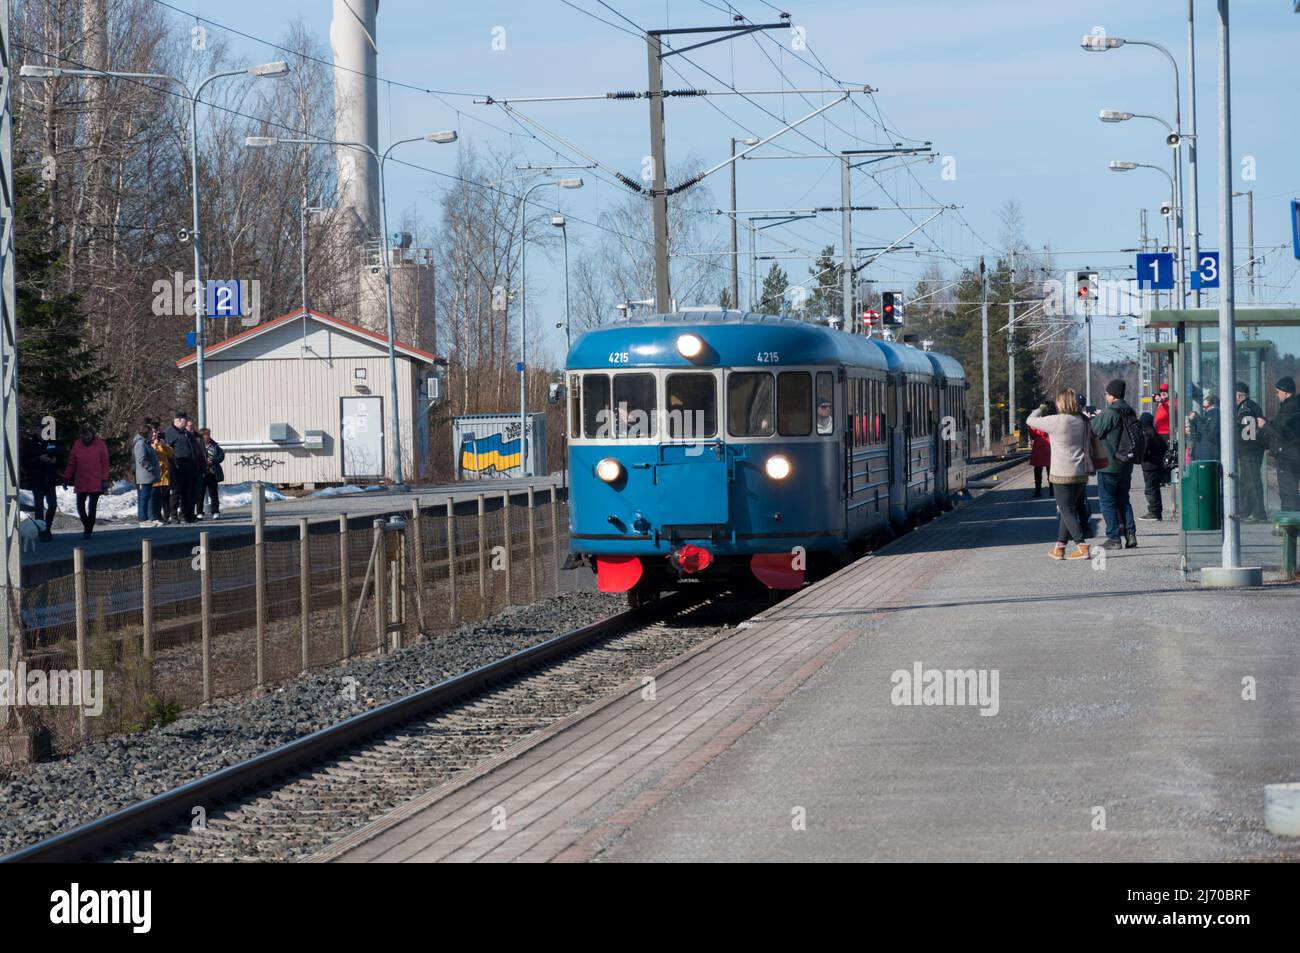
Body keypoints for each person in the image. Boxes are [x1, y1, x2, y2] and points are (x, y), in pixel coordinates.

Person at [1028, 390, 1095, 561]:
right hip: (1081, 472)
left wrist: (1041, 409)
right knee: (1069, 509)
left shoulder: (1057, 421)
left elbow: (1030, 421)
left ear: (1062, 403)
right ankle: (1060, 547)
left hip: (1062, 474)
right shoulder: (1083, 420)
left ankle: (1082, 546)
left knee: (1065, 509)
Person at [1092, 378, 1138, 550]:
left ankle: (1114, 538)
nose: (1105, 396)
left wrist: (1096, 418)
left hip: (1109, 464)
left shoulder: (1110, 413)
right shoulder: (1130, 411)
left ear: (1112, 395)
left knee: (1107, 502)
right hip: (1126, 463)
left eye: (1106, 393)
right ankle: (1130, 534)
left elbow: (1093, 430)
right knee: (1123, 500)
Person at [1258, 376, 1300, 512]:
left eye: (1278, 391)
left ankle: (1290, 525)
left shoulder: (1289, 407)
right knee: (1291, 489)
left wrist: (1264, 425)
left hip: (1287, 455)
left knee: (1288, 491)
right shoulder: (1295, 405)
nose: (1276, 395)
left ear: (1286, 391)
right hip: (1293, 453)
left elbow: (1280, 432)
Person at [63, 423, 110, 540]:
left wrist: (104, 479)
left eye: (88, 435)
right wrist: (66, 477)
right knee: (80, 506)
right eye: (84, 435)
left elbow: (105, 464)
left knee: (92, 507)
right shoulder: (77, 445)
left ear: (92, 434)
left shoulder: (100, 445)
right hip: (81, 479)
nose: (86, 437)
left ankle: (88, 530)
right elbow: (72, 463)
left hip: (95, 479)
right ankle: (87, 524)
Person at [20, 419, 60, 542]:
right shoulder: (29, 443)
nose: (43, 431)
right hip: (37, 479)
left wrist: (55, 461)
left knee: (52, 505)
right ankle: (41, 531)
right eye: (41, 429)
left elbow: (60, 457)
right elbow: (24, 461)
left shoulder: (52, 442)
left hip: (50, 479)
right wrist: (39, 459)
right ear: (36, 430)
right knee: (39, 507)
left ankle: (46, 527)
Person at [1233, 381, 1268, 521]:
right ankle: (1247, 510)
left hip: (1249, 450)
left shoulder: (1245, 409)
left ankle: (1258, 512)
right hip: (1251, 450)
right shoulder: (1250, 406)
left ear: (1238, 396)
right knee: (1247, 482)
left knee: (1252, 481)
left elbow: (1249, 433)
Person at [164, 411, 198, 523]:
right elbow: (167, 450)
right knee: (176, 493)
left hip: (190, 468)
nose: (187, 421)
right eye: (185, 420)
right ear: (178, 420)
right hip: (177, 468)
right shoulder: (170, 433)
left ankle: (185, 515)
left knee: (187, 493)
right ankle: (173, 515)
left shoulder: (186, 433)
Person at [1137, 411, 1168, 522]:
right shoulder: (1154, 432)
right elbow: (1164, 446)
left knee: (1150, 488)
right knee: (1154, 487)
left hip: (1149, 465)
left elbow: (1144, 450)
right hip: (1155, 464)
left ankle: (1154, 512)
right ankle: (1156, 511)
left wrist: (1140, 458)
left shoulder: (1146, 433)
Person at [133, 422, 160, 525]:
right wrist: (151, 467)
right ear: (146, 432)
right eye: (150, 432)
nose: (152, 434)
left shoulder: (145, 443)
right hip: (145, 475)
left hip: (148, 476)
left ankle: (146, 518)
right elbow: (141, 459)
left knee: (147, 496)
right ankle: (143, 519)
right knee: (144, 497)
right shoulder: (140, 443)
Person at [199, 427, 225, 519]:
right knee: (200, 493)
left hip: (213, 472)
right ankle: (199, 512)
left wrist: (213, 460)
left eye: (208, 435)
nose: (207, 437)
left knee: (213, 493)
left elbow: (221, 456)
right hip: (202, 473)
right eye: (205, 436)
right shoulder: (198, 446)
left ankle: (215, 511)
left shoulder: (215, 446)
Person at [151, 425, 175, 524]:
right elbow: (153, 455)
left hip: (165, 475)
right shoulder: (150, 444)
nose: (155, 435)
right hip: (156, 476)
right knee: (156, 498)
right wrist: (156, 444)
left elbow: (171, 453)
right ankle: (157, 516)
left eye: (156, 433)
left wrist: (164, 445)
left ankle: (166, 515)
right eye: (153, 433)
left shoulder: (162, 443)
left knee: (165, 497)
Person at [1188, 393, 1221, 461]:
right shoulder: (1206, 417)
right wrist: (1193, 422)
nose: (1203, 409)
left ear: (1213, 406)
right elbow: (1195, 436)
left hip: (1209, 455)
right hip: (1201, 454)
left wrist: (1197, 421)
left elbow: (1209, 434)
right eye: (1202, 407)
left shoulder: (1216, 415)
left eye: (1205, 407)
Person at [186, 418, 208, 519]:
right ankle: (188, 513)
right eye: (190, 426)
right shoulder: (185, 437)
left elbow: (203, 453)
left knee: (197, 492)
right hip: (190, 469)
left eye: (192, 426)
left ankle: (196, 512)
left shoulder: (198, 438)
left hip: (199, 469)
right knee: (189, 493)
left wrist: (204, 467)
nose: (192, 428)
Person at [1028, 409, 1051, 498]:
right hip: (1049, 445)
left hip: (1038, 446)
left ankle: (1038, 491)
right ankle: (1052, 490)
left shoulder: (1035, 423)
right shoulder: (1050, 421)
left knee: (1038, 470)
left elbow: (1032, 434)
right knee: (1050, 470)